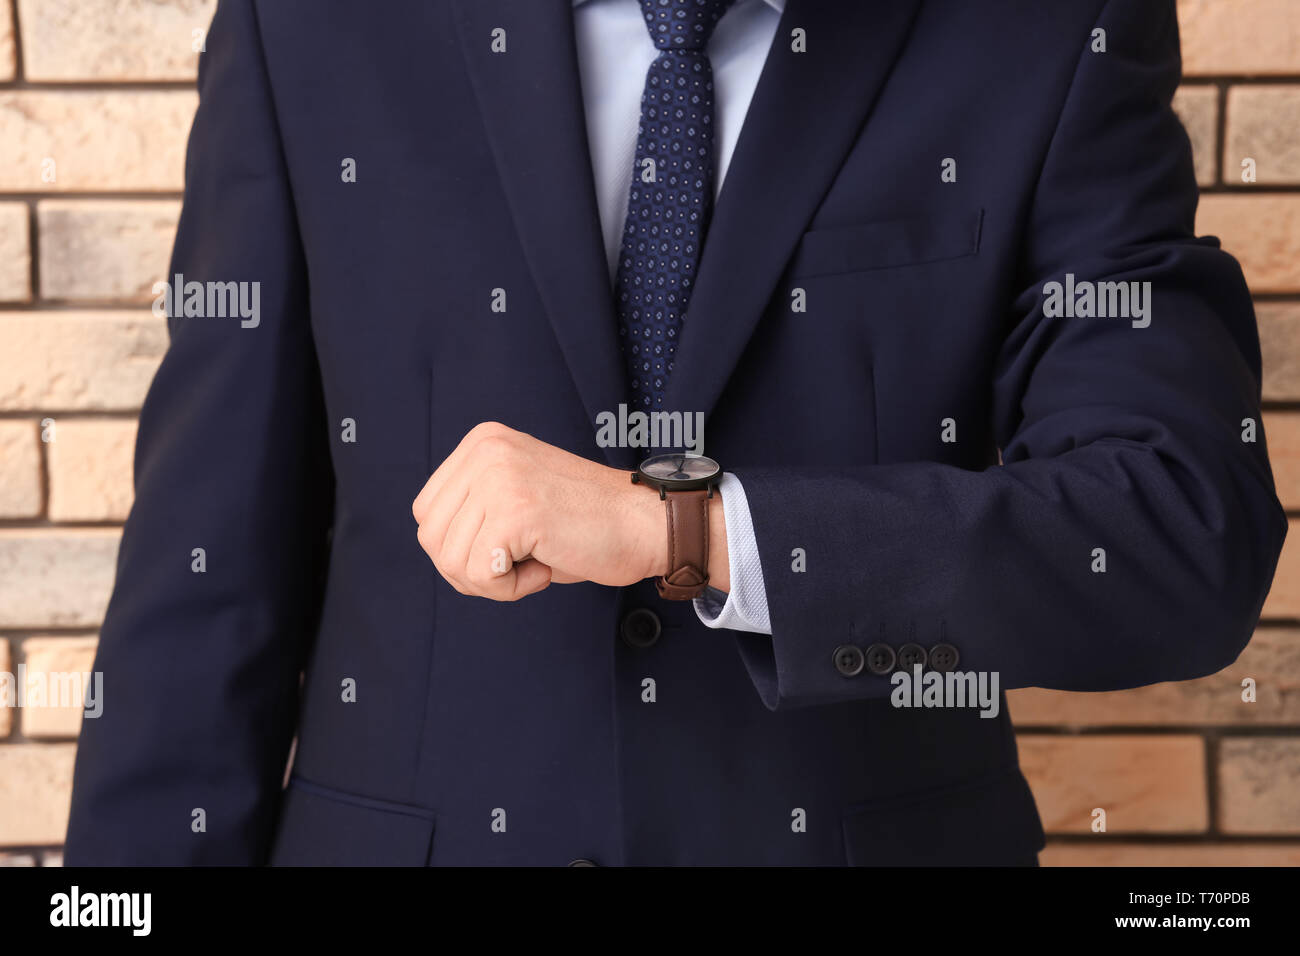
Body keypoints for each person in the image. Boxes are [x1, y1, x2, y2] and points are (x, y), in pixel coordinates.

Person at [65, 0, 1286, 866]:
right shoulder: (314, 27)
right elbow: (205, 566)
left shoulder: (1043, 29)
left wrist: (688, 530)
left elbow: (1180, 522)